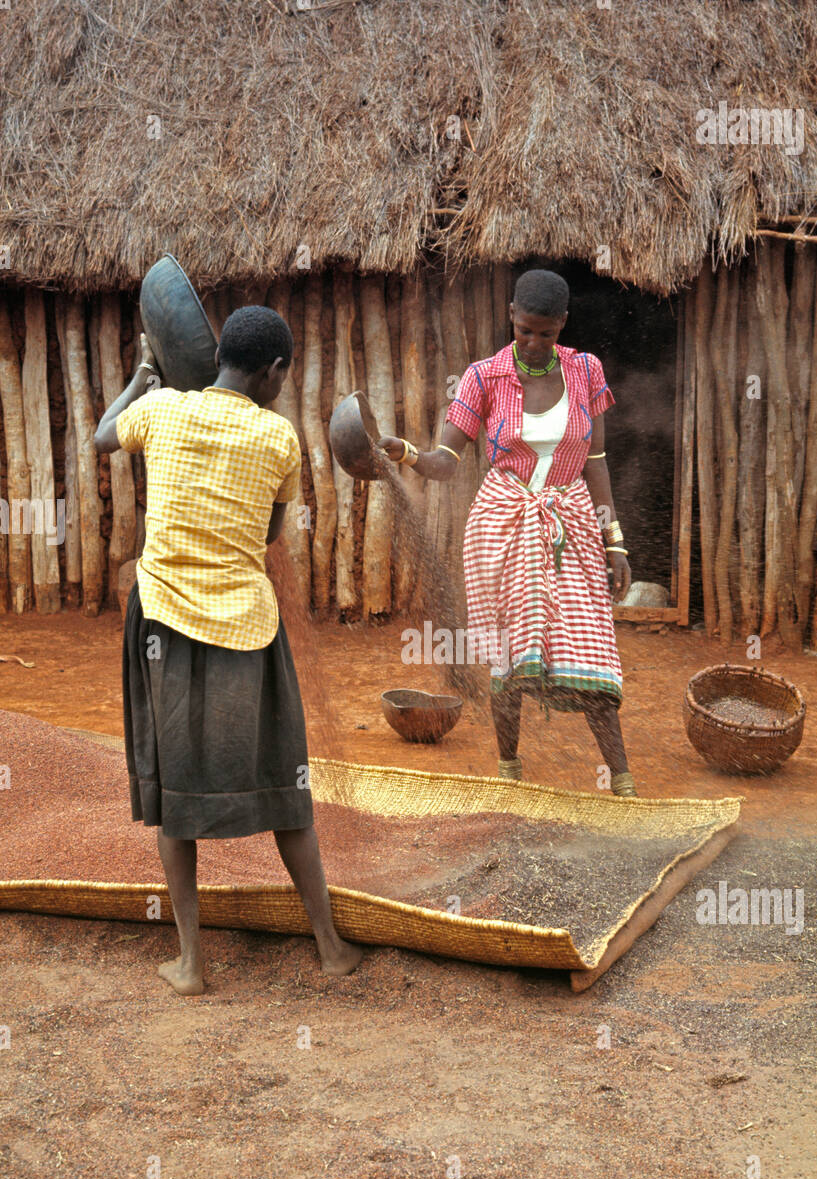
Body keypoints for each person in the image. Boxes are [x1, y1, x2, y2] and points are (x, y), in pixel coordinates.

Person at [94, 306, 363, 994]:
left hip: (163, 623)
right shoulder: (279, 439)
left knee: (173, 794)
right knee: (286, 785)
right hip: (247, 629)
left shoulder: (161, 411)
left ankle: (191, 963)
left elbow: (101, 437)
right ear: (273, 371)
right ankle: (330, 947)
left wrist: (139, 380)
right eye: (284, 374)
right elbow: (270, 532)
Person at [378, 268, 637, 795]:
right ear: (511, 317)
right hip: (503, 525)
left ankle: (624, 781)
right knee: (508, 651)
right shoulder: (482, 377)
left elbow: (599, 462)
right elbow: (447, 461)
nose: (536, 342)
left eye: (547, 332)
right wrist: (405, 453)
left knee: (593, 649)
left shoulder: (586, 372)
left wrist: (616, 542)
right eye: (526, 330)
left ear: (563, 323)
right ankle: (509, 769)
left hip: (572, 520)